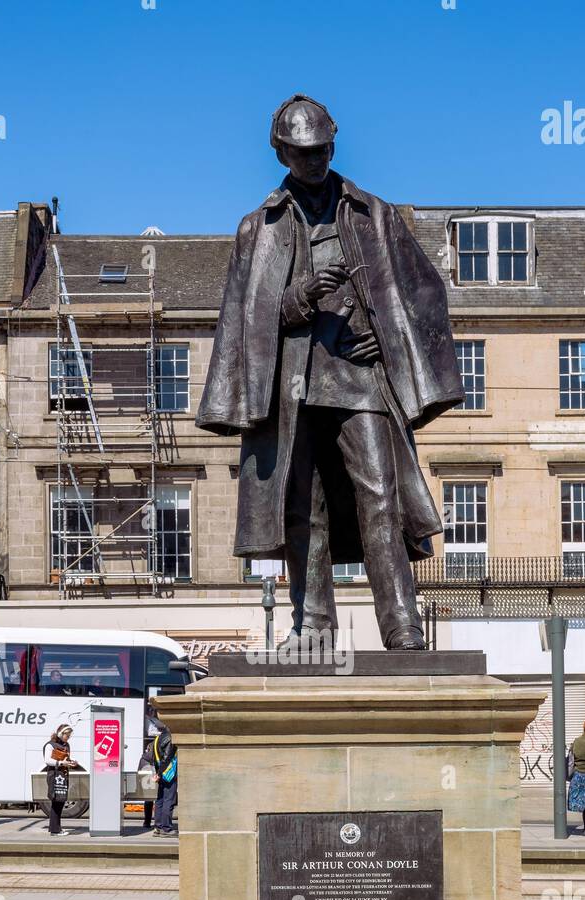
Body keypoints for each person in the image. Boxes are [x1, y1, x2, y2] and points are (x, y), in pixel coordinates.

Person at [196, 94, 464, 651]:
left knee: (381, 497)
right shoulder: (259, 227)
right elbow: (244, 317)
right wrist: (295, 300)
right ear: (282, 154)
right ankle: (314, 626)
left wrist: (385, 339)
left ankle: (404, 629)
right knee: (303, 506)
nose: (314, 161)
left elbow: (422, 293)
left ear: (333, 145)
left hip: (360, 381)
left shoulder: (374, 214)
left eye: (321, 150)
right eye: (301, 152)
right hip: (293, 387)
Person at [42, 723, 76, 837]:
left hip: (63, 774)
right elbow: (47, 760)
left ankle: (55, 828)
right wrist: (61, 763)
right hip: (54, 775)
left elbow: (67, 759)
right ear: (61, 733)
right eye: (67, 734)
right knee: (56, 801)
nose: (68, 737)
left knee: (60, 802)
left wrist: (72, 762)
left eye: (69, 735)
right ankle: (55, 830)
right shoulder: (50, 745)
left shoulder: (66, 745)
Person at [148, 712, 178, 838]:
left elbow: (155, 758)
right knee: (168, 801)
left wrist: (157, 773)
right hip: (168, 774)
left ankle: (158, 827)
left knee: (160, 800)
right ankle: (166, 828)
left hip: (160, 773)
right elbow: (167, 757)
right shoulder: (171, 738)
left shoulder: (157, 739)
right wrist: (161, 773)